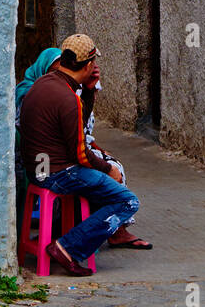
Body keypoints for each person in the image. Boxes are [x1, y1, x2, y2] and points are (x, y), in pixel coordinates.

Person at [18, 34, 143, 275]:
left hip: (38, 170)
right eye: (93, 64)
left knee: (105, 187)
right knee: (127, 201)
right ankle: (67, 247)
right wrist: (108, 169)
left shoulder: (43, 84)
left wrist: (87, 93)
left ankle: (64, 238)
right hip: (58, 173)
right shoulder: (66, 97)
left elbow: (77, 127)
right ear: (88, 66)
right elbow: (81, 154)